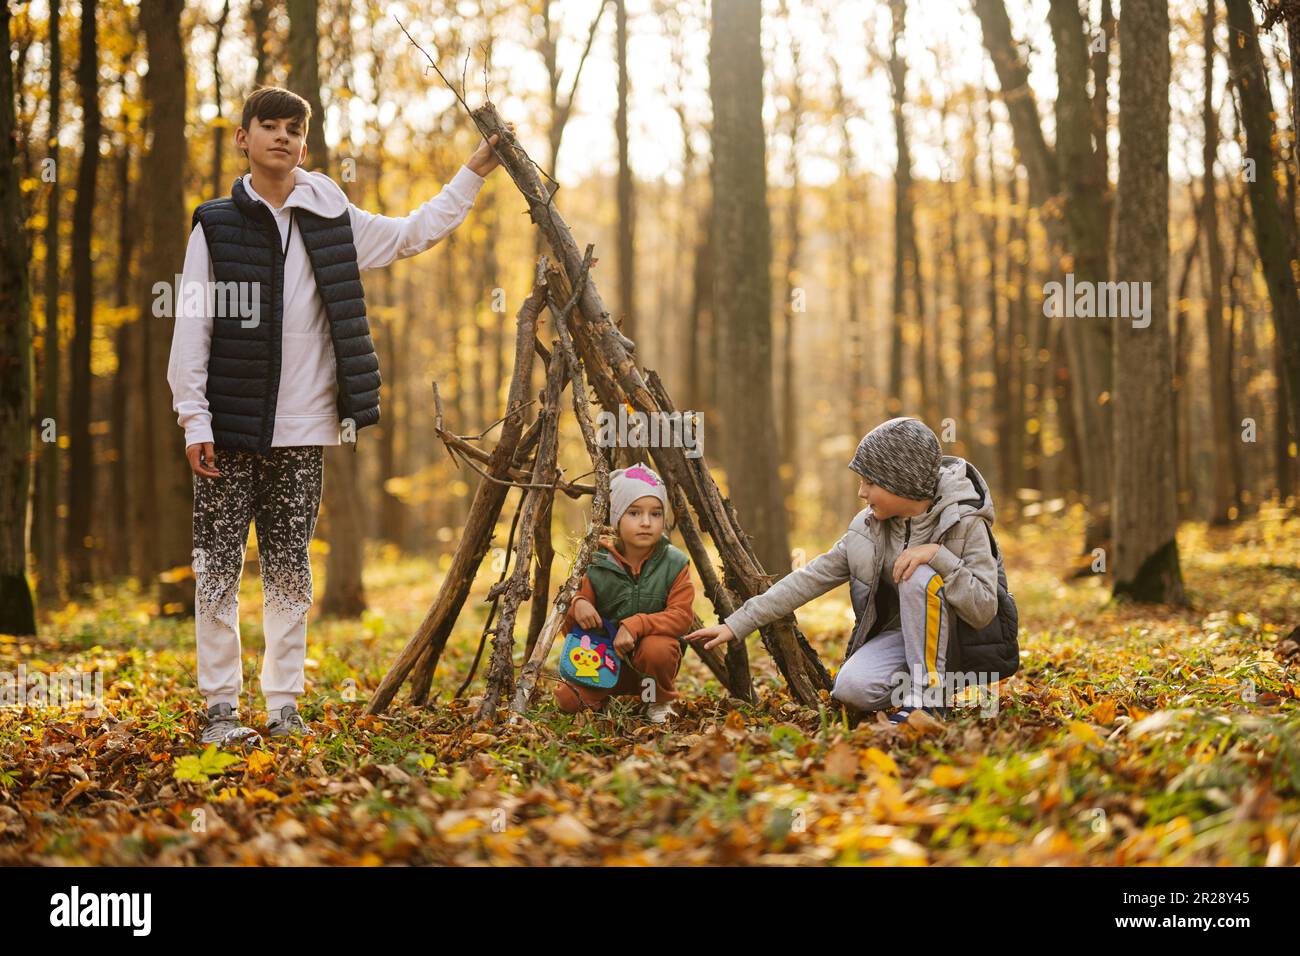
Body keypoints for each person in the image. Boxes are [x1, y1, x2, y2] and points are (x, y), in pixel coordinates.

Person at [166, 86, 512, 745]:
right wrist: (195, 421)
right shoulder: (214, 224)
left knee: (291, 572)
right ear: (243, 138)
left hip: (304, 433)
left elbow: (413, 234)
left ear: (305, 141)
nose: (282, 137)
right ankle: (219, 711)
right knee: (215, 569)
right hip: (227, 433)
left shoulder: (332, 219)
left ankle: (282, 706)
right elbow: (191, 328)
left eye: (294, 128)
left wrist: (471, 172)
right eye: (268, 126)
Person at [686, 417, 1001, 723]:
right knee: (851, 690)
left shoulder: (966, 522)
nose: (861, 493)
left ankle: (928, 704)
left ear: (901, 482)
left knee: (916, 573)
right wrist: (737, 624)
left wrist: (938, 556)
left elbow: (984, 609)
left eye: (870, 482)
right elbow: (809, 578)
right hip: (903, 638)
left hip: (958, 643)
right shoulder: (867, 531)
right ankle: (923, 688)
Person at [555, 463, 695, 724]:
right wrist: (579, 604)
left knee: (658, 649)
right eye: (634, 513)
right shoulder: (595, 563)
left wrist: (636, 625)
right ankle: (604, 698)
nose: (646, 522)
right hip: (602, 662)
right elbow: (569, 629)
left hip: (649, 672)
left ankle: (655, 701)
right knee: (568, 701)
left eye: (655, 514)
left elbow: (681, 617)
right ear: (617, 517)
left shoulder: (674, 563)